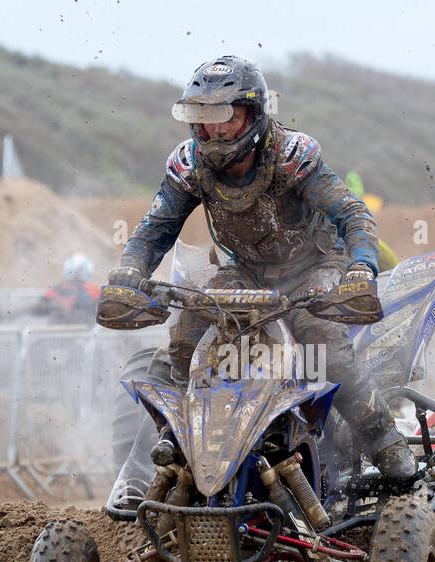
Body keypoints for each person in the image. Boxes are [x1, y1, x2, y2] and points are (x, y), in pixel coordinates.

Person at [103, 55, 415, 480]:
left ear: (251, 114)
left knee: (324, 348)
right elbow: (155, 228)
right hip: (244, 270)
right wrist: (129, 271)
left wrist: (361, 267)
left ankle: (384, 440)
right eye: (201, 117)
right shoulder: (189, 163)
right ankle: (177, 439)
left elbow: (352, 214)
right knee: (187, 336)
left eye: (222, 116)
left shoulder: (292, 155)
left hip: (313, 265)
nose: (212, 130)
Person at [36, 253, 100, 324]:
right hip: (80, 329)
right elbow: (40, 307)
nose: (77, 275)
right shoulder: (94, 290)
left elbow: (39, 308)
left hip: (65, 329)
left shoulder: (57, 289)